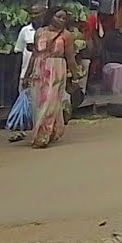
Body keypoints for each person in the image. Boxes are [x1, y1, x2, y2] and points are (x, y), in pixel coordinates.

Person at [25, 8, 79, 149]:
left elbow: (71, 58)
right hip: (39, 69)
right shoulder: (40, 32)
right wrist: (27, 75)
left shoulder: (67, 36)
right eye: (59, 17)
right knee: (39, 103)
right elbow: (35, 54)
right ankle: (52, 130)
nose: (61, 20)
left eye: (64, 18)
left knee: (50, 102)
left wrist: (75, 77)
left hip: (56, 69)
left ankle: (43, 136)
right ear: (51, 16)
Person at [9, 4, 48, 143]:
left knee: (43, 102)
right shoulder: (25, 31)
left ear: (44, 13)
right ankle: (25, 130)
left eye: (38, 13)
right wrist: (18, 75)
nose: (34, 16)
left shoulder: (49, 32)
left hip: (46, 72)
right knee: (27, 103)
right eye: (32, 13)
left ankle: (42, 129)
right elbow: (19, 52)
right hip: (26, 71)